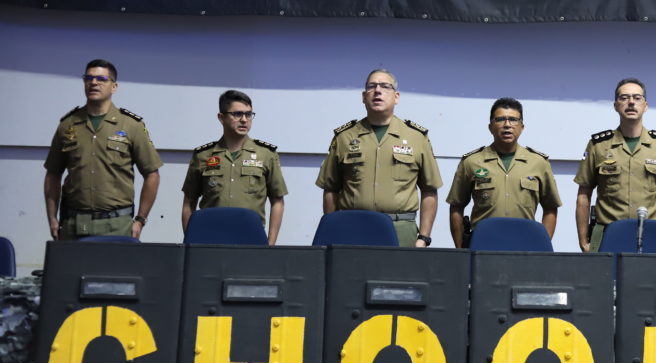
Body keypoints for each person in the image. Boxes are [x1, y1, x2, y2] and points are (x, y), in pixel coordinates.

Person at [316, 68, 442, 247]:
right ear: (363, 96)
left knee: (398, 275)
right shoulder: (344, 137)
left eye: (385, 86)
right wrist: (333, 229)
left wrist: (423, 237)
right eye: (371, 86)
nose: (377, 91)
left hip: (400, 229)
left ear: (396, 96)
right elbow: (330, 189)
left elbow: (430, 190)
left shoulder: (417, 137)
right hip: (353, 227)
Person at [43, 59, 162, 240]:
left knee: (113, 269)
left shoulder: (131, 125)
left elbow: (152, 174)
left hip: (117, 225)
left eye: (101, 79)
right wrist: (52, 218)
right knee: (73, 269)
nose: (94, 83)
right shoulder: (68, 125)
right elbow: (53, 174)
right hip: (75, 224)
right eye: (89, 78)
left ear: (113, 86)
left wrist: (140, 219)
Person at [574, 78, 656, 252]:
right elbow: (583, 195)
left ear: (645, 105)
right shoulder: (598, 146)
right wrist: (583, 240)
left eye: (637, 98)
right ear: (615, 105)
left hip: (652, 234)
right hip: (607, 235)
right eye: (624, 98)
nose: (631, 102)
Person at [447, 98, 561, 247]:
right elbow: (456, 205)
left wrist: (541, 244)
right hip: (483, 244)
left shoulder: (538, 163)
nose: (507, 125)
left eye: (513, 120)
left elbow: (551, 207)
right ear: (490, 127)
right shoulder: (472, 162)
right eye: (500, 119)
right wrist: (461, 248)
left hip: (525, 244)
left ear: (522, 127)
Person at [181, 90, 287, 245]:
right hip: (210, 237)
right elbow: (188, 203)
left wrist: (269, 245)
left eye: (249, 114)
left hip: (251, 238)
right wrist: (191, 241)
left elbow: (277, 201)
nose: (244, 120)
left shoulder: (266, 155)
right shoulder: (203, 156)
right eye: (237, 114)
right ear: (221, 117)